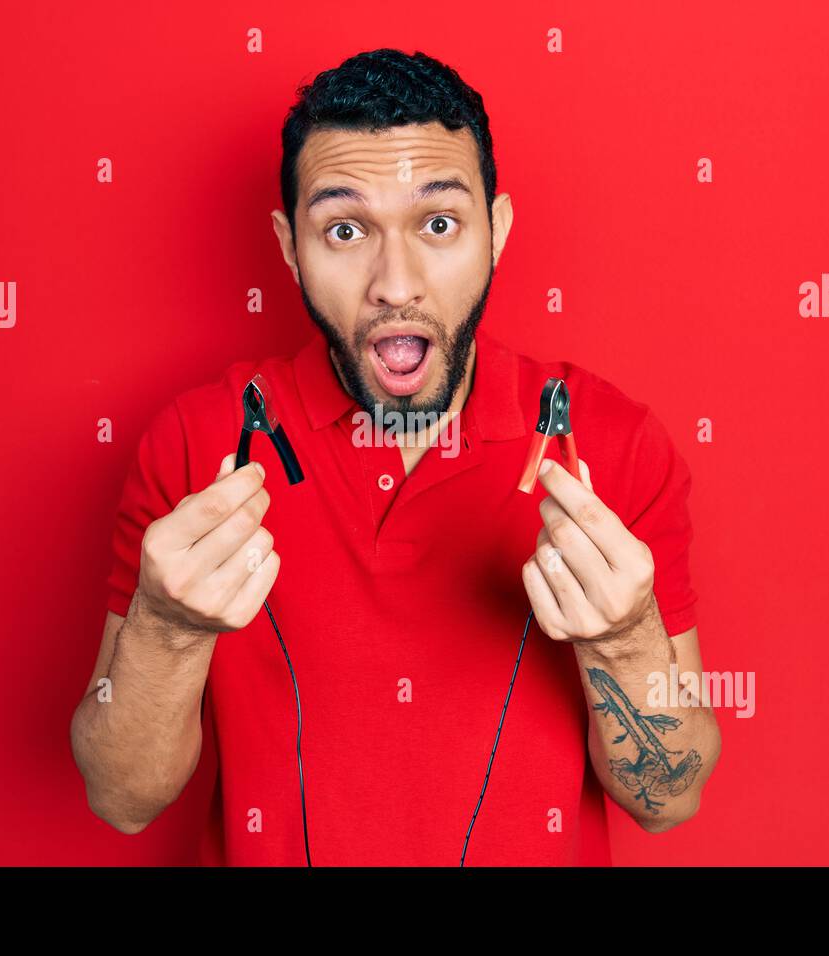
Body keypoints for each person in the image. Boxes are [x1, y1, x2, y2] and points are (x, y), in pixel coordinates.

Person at [70, 48, 720, 866]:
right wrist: (165, 630)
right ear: (288, 247)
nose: (396, 283)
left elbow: (670, 800)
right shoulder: (199, 442)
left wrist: (625, 637)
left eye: (438, 224)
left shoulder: (614, 442)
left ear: (499, 231)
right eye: (345, 230)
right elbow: (122, 799)